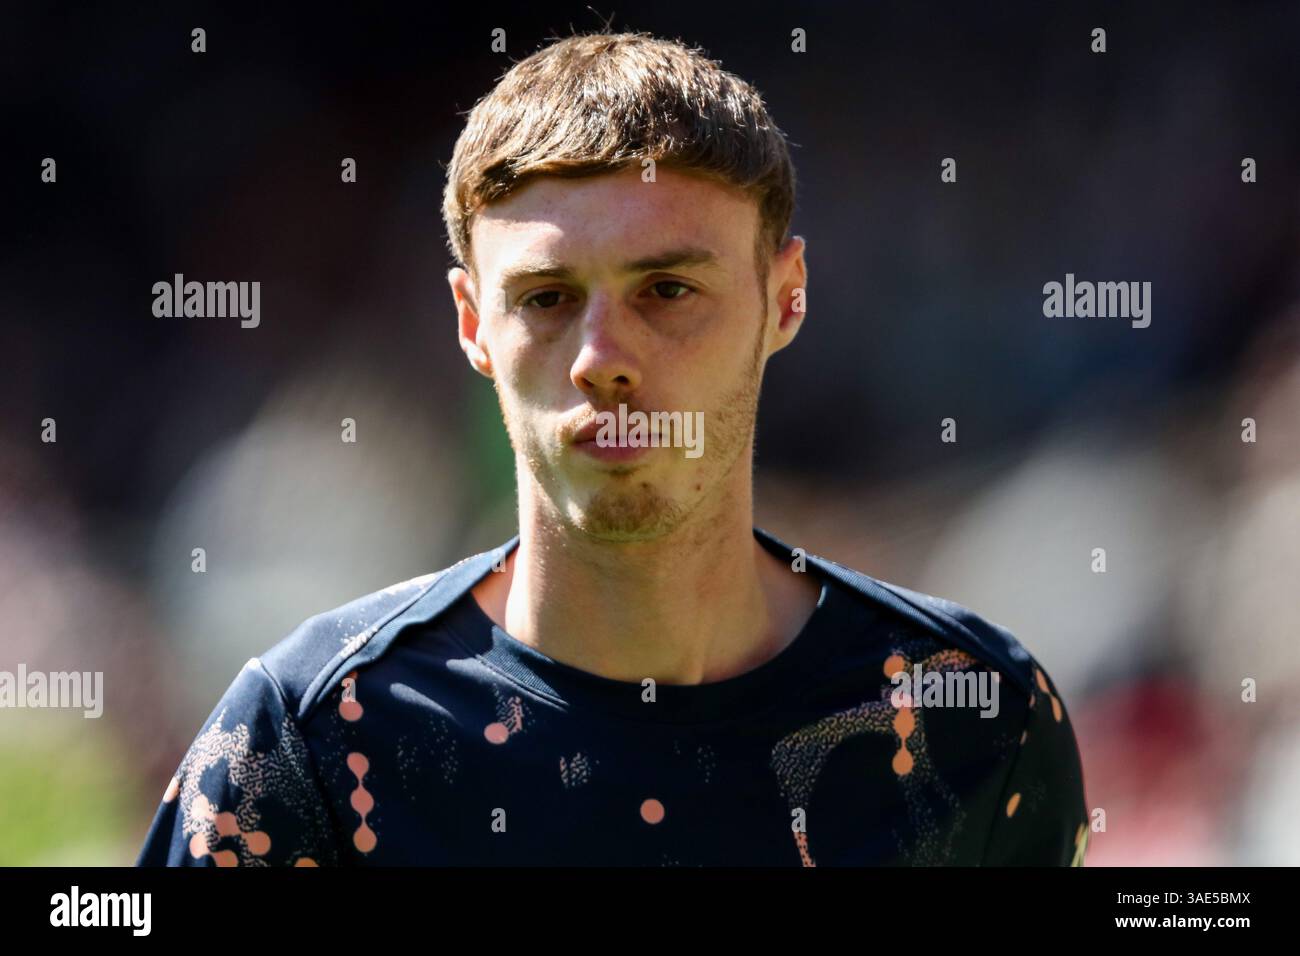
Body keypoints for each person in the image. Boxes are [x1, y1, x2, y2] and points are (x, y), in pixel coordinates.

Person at [137, 30, 1087, 867]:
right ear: (472, 322)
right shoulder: (308, 745)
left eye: (667, 290)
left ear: (784, 296)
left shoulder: (968, 717)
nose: (602, 360)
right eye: (547, 299)